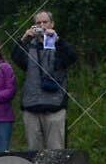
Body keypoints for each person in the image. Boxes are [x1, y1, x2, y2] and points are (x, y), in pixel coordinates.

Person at [11, 11, 77, 150]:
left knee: (56, 153)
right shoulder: (29, 46)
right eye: (38, 23)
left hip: (55, 106)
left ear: (52, 24)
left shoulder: (59, 46)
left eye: (45, 22)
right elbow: (16, 58)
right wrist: (24, 39)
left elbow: (72, 57)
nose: (42, 25)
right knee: (34, 154)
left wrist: (57, 40)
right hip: (31, 107)